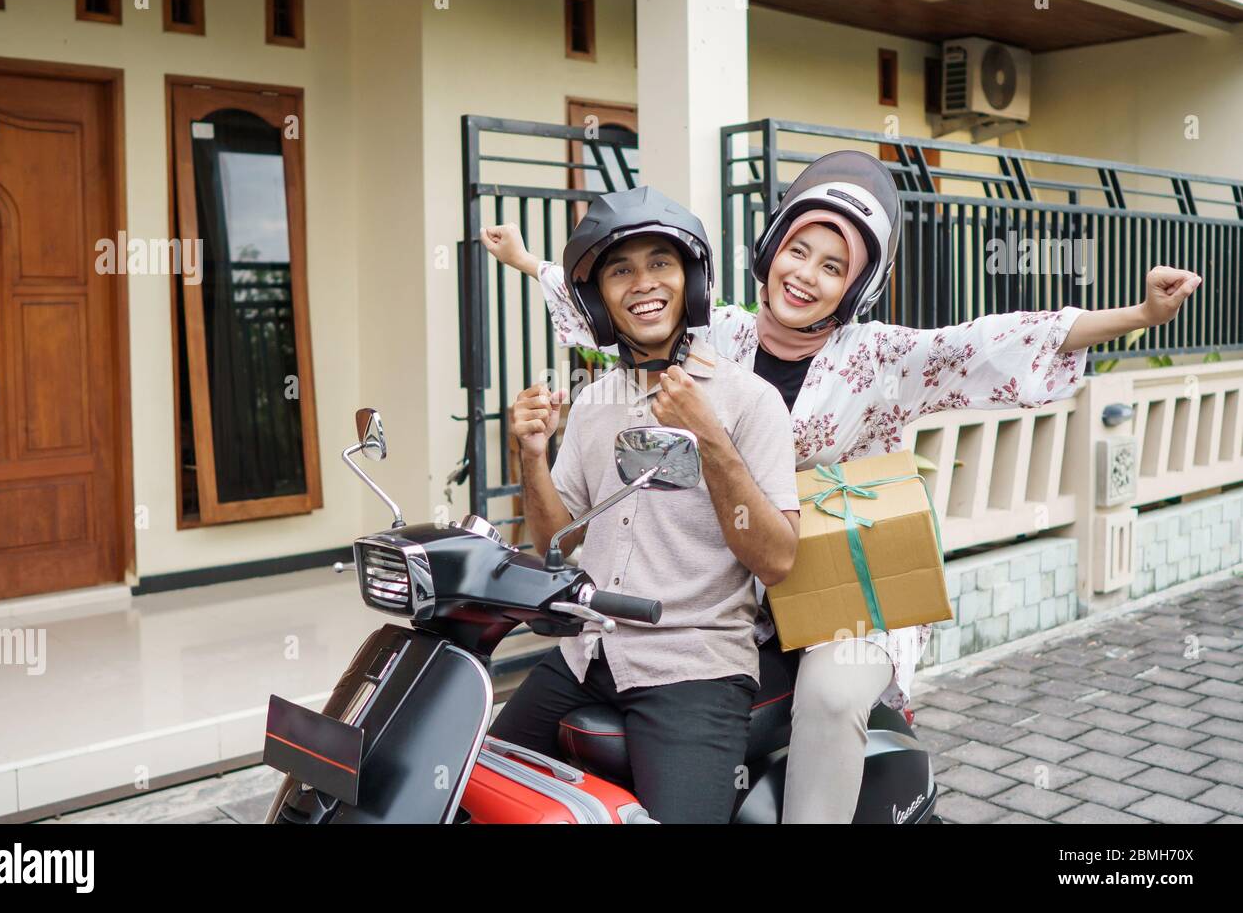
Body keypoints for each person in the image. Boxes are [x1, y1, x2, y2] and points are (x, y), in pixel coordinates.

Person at [482, 149, 1203, 823]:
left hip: (832, 584)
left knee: (828, 697)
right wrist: (524, 260)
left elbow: (990, 344)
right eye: (797, 251)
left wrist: (1140, 316)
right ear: (769, 254)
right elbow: (630, 294)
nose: (806, 274)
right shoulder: (717, 335)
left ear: (853, 287)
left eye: (834, 266)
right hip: (733, 584)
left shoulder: (881, 357)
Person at [487, 185, 803, 824]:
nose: (642, 283)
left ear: (691, 280)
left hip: (693, 662)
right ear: (599, 301)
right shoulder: (594, 403)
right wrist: (531, 454)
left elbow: (776, 559)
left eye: (661, 263)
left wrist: (708, 433)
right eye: (620, 270)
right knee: (479, 784)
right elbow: (555, 545)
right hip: (588, 651)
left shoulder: (750, 400)